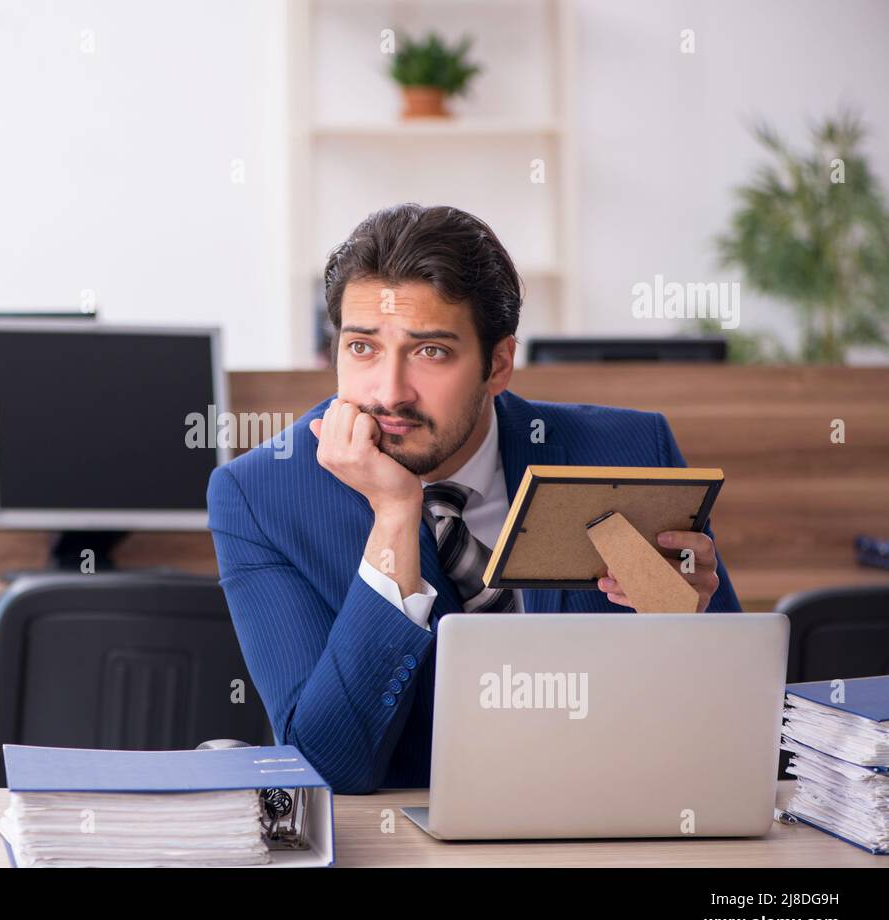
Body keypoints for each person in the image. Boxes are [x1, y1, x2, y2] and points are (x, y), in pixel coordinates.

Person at [207, 203, 741, 794]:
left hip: (612, 820)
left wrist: (690, 621)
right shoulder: (260, 497)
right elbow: (328, 768)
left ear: (499, 364)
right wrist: (394, 517)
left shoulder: (630, 452)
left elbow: (738, 730)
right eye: (362, 348)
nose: (389, 392)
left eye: (430, 351)